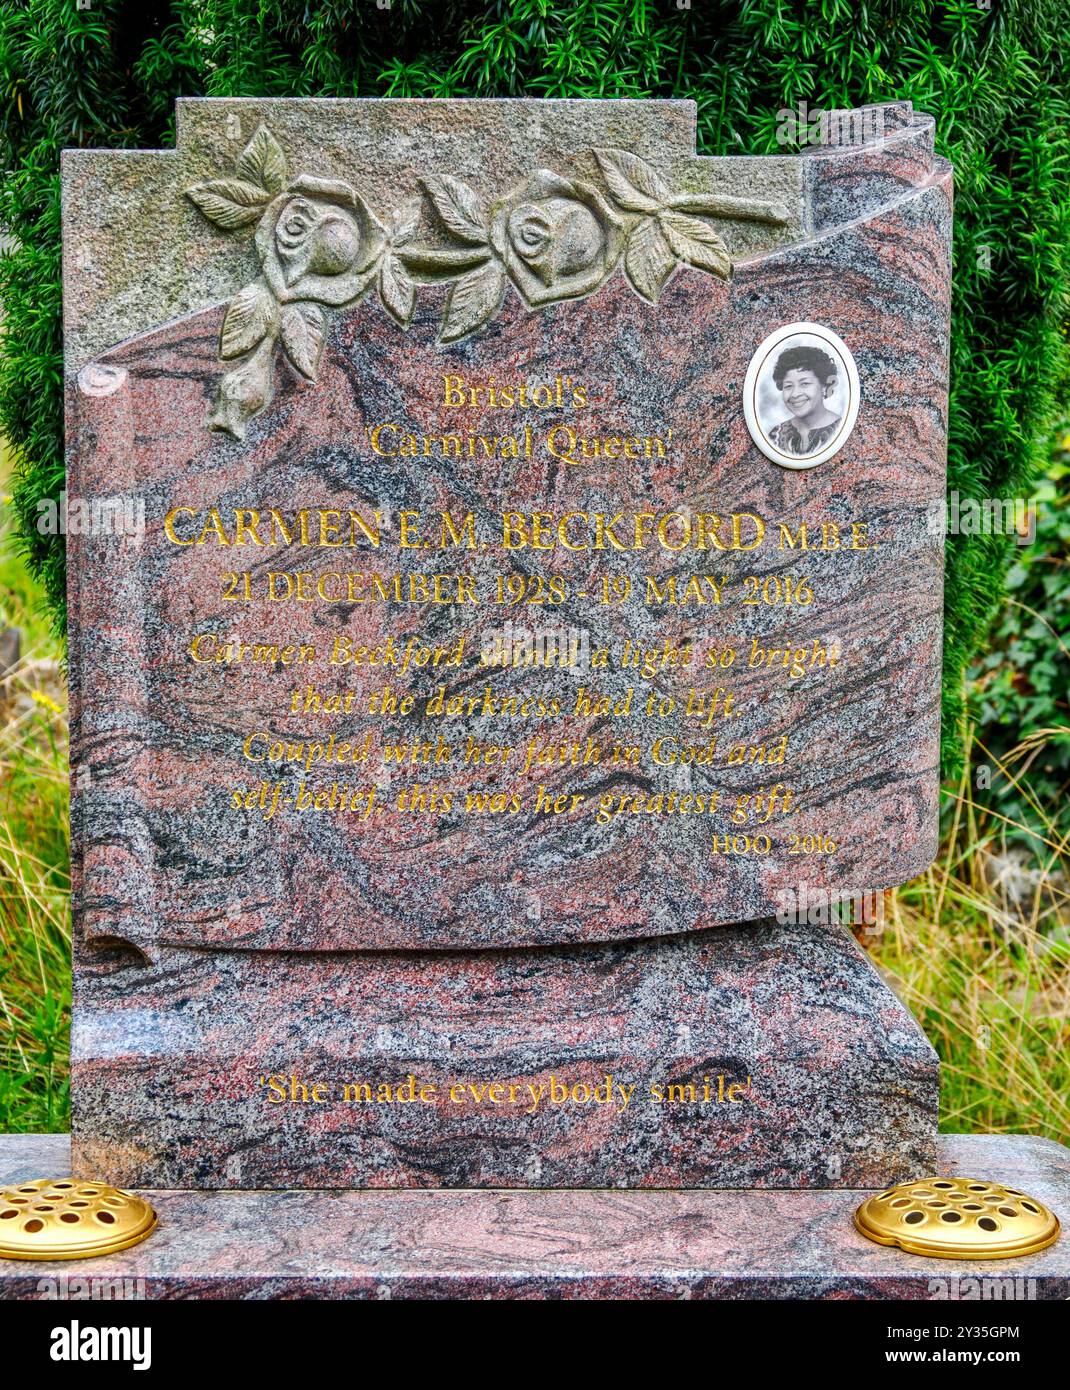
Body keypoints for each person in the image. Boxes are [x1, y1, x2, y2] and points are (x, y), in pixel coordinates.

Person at [767, 345, 842, 456]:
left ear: (824, 386)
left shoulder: (841, 429)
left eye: (805, 384)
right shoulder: (776, 434)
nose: (795, 394)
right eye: (788, 386)